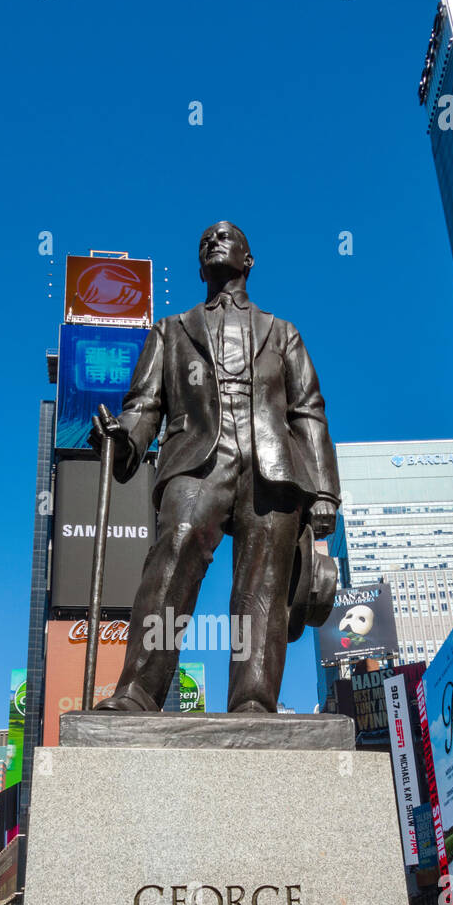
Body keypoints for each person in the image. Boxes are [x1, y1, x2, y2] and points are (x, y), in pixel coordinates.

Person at [89, 221, 340, 715]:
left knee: (263, 581)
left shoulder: (283, 332)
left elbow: (307, 409)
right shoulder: (171, 329)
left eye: (225, 236)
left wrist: (326, 493)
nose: (211, 241)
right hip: (197, 455)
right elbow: (143, 405)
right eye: (204, 238)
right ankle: (138, 689)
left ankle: (252, 698)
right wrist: (122, 441)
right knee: (174, 549)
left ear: (249, 260)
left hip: (272, 464)